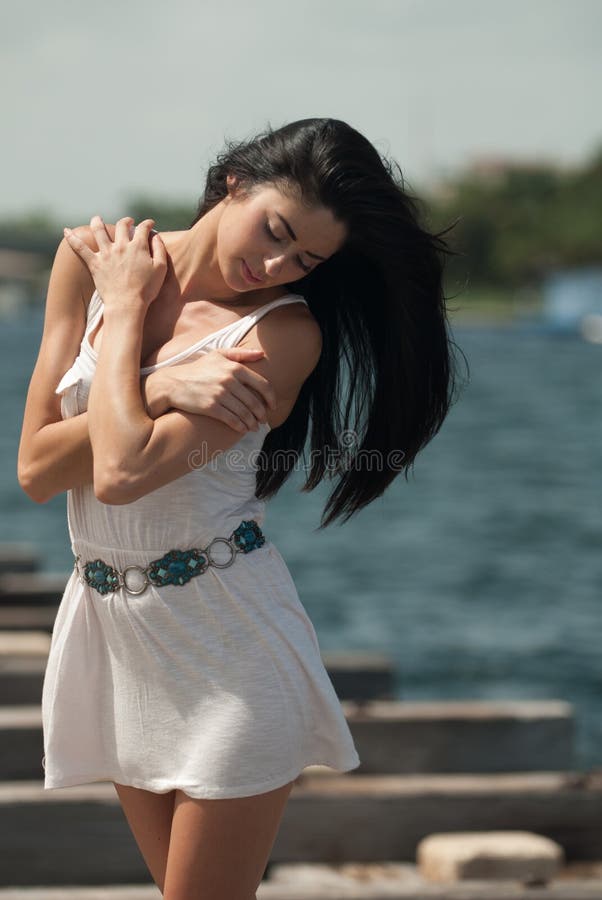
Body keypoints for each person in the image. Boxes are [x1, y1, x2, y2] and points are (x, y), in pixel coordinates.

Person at [17, 117, 463, 899]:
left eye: (306, 259)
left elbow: (121, 473)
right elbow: (35, 467)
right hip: (112, 636)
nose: (276, 264)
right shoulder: (86, 261)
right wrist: (156, 384)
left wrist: (124, 312)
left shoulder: (282, 335)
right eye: (276, 231)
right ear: (235, 182)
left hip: (228, 647)